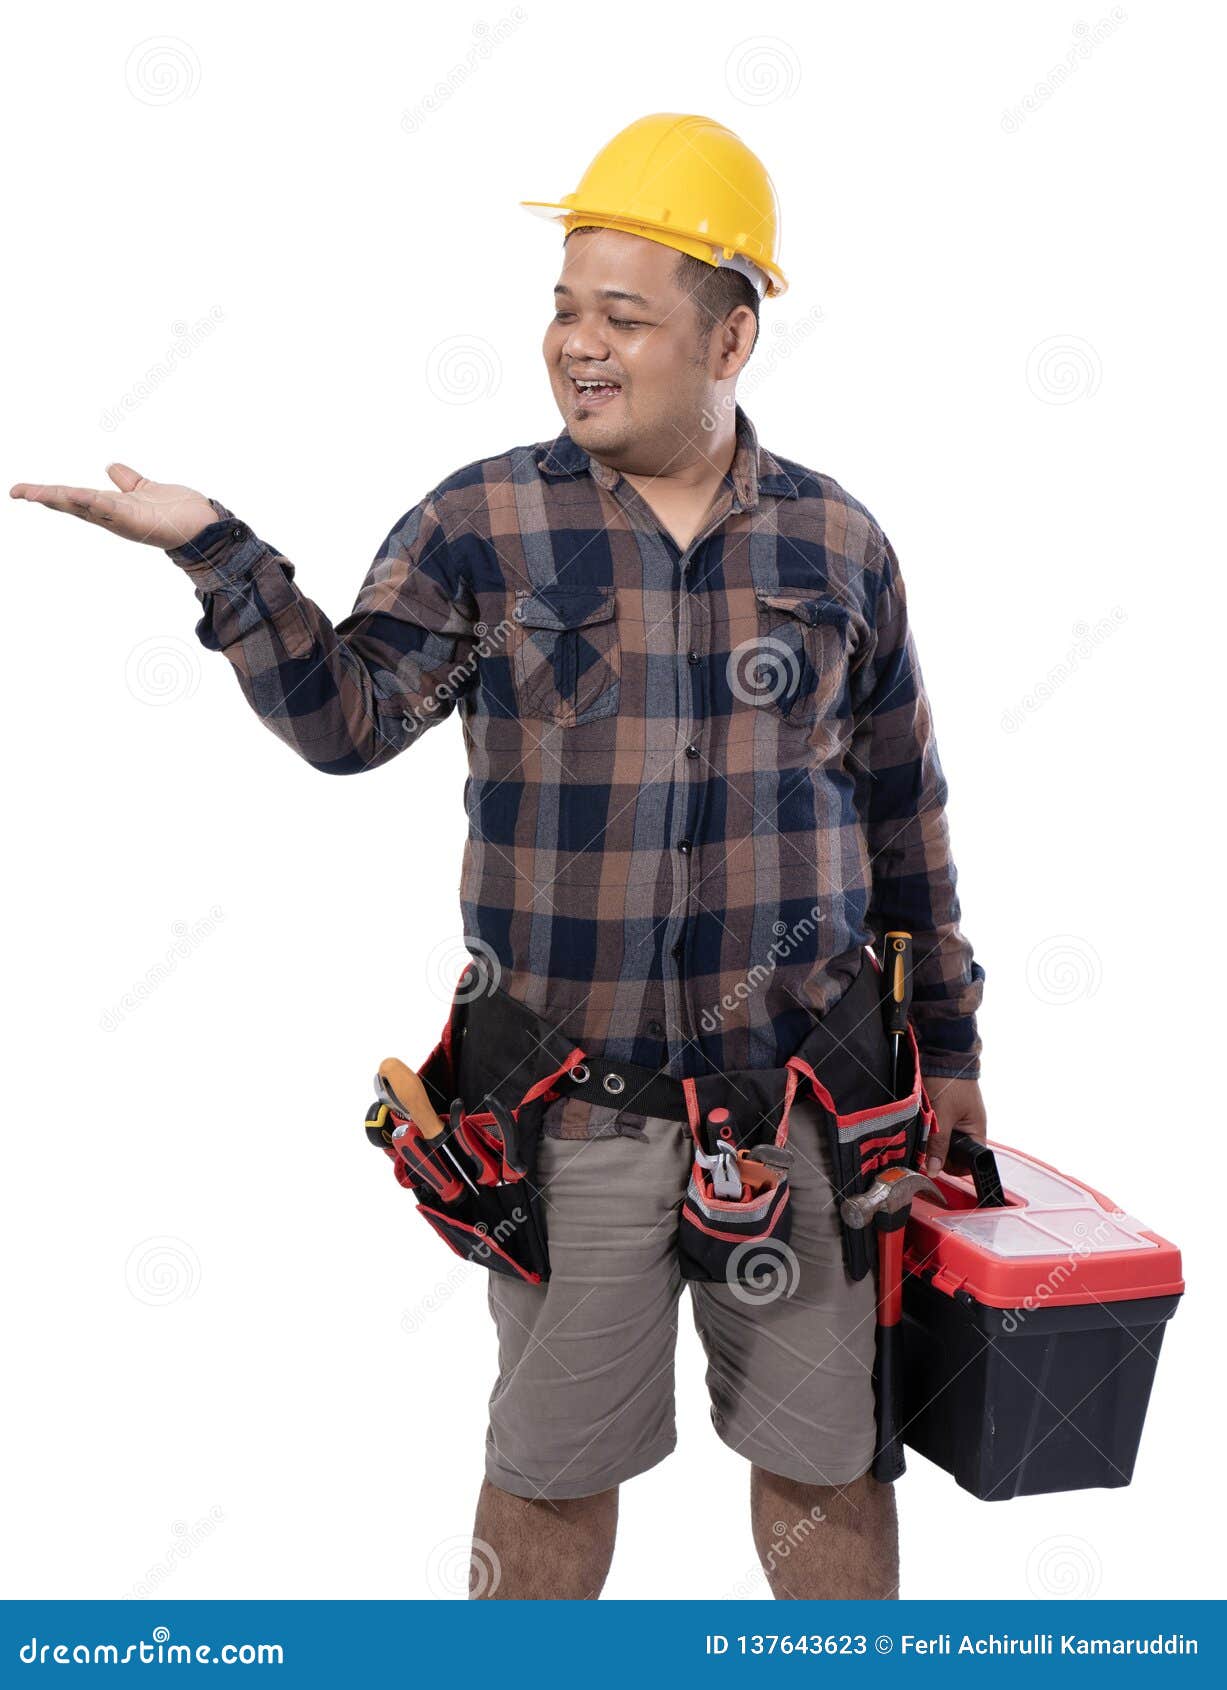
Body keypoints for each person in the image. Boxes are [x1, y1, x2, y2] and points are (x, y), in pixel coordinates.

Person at [10, 113, 987, 1601]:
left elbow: (905, 813)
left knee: (827, 1467)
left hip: (801, 1103)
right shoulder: (486, 525)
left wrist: (957, 1049)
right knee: (547, 1474)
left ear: (730, 340)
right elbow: (348, 719)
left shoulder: (836, 543)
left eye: (623, 317)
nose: (577, 345)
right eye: (562, 307)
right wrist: (217, 552)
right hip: (570, 1114)